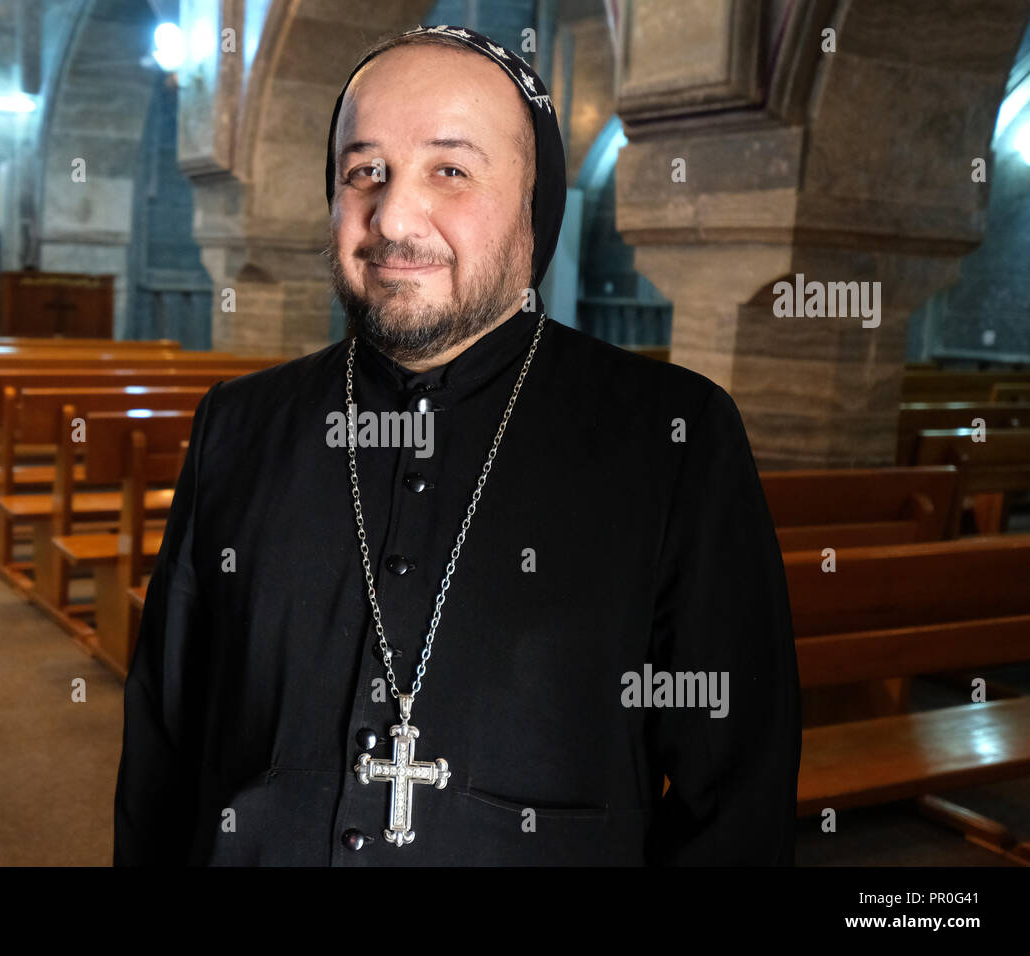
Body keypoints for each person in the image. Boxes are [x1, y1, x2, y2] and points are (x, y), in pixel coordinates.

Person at [114, 24, 800, 866]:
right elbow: (163, 740)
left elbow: (736, 795)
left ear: (534, 204)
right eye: (365, 171)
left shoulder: (673, 435)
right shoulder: (239, 425)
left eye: (451, 171)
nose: (394, 216)